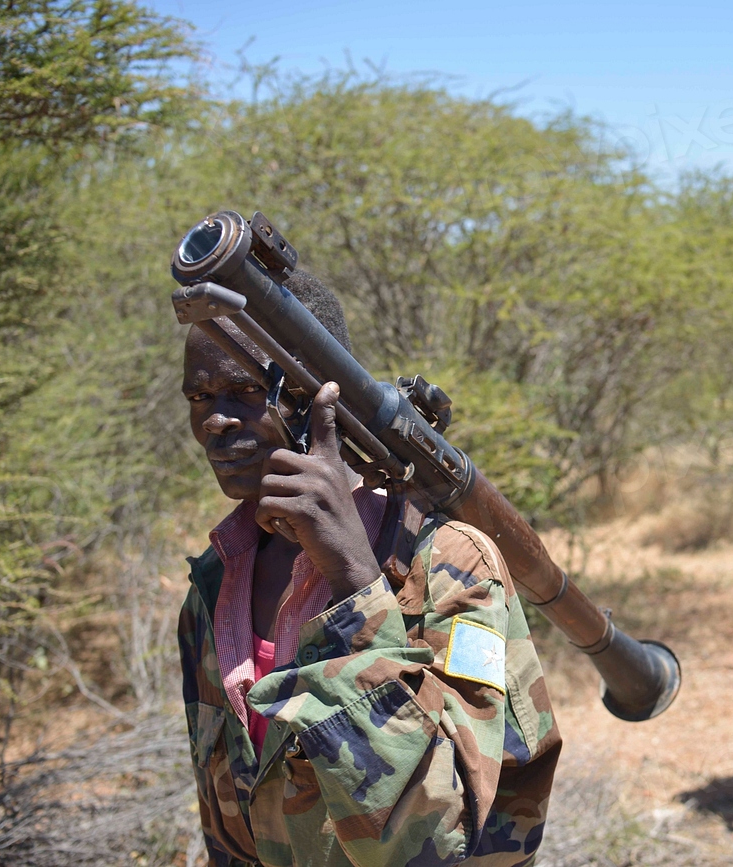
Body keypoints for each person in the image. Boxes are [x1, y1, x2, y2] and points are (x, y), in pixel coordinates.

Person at [177, 273, 561, 867]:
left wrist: (356, 584)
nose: (215, 421)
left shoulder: (449, 565)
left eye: (245, 390)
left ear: (316, 397)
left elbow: (445, 844)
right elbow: (228, 822)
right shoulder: (214, 582)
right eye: (200, 397)